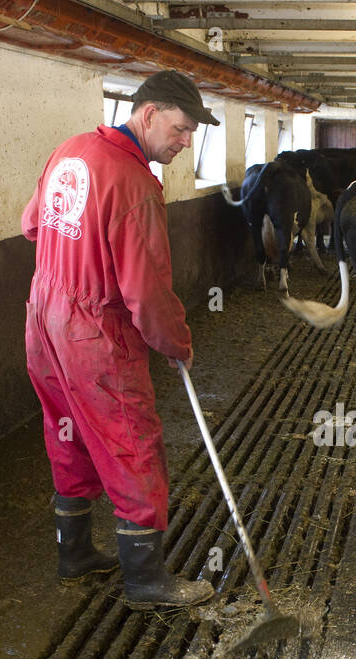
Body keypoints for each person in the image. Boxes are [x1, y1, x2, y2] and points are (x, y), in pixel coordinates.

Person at [22, 71, 219, 608]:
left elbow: (33, 225)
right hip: (94, 331)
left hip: (43, 315)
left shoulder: (70, 150)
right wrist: (175, 342)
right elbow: (147, 292)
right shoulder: (134, 183)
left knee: (67, 431)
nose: (185, 143)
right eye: (180, 130)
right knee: (130, 437)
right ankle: (146, 581)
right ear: (149, 113)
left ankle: (76, 554)